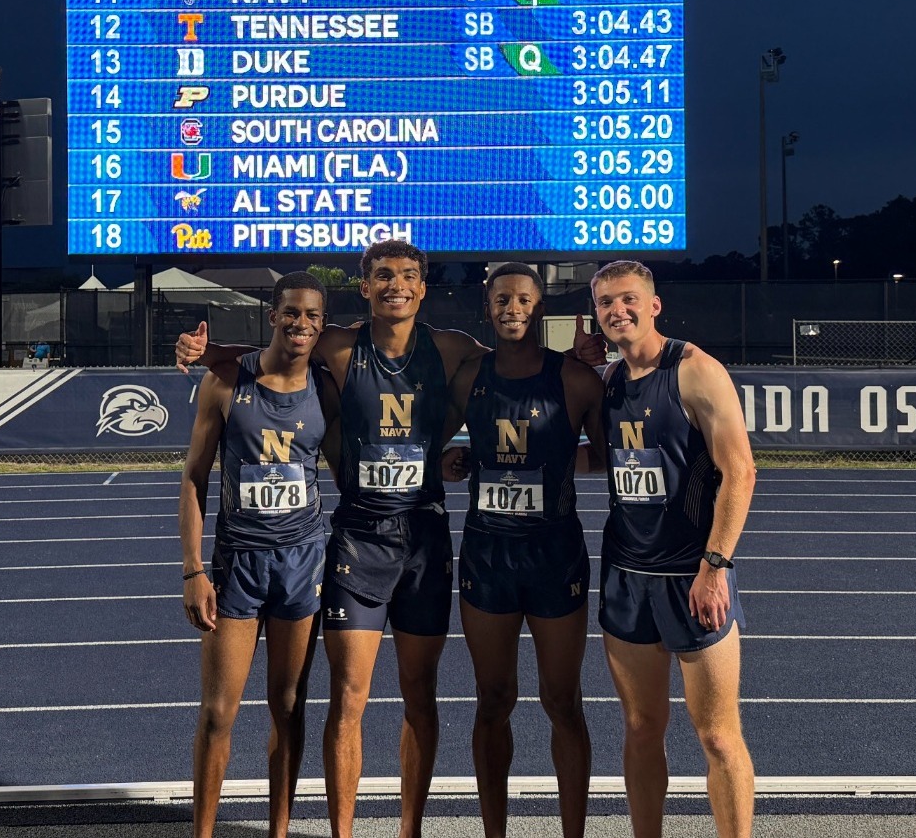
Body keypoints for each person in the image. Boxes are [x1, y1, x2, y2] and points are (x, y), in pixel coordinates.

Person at [177, 240, 488, 838]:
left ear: (423, 288)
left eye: (408, 276)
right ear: (365, 288)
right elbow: (267, 355)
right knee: (336, 698)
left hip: (413, 538)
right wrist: (206, 351)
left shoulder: (449, 350)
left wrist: (585, 360)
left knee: (407, 694)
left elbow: (512, 364)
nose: (396, 285)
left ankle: (403, 829)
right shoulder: (338, 349)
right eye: (382, 275)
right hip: (343, 543)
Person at [574, 259, 760, 838]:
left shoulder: (696, 371)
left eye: (628, 299)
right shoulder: (608, 381)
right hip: (628, 575)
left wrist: (715, 566)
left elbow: (741, 472)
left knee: (718, 735)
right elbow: (604, 459)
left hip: (692, 574)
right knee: (640, 728)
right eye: (606, 302)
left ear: (654, 305)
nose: (618, 310)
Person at [438, 262, 608, 838]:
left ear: (541, 308)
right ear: (487, 308)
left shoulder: (577, 380)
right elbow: (431, 442)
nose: (512, 308)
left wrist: (556, 461)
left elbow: (609, 456)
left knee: (562, 701)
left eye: (524, 300)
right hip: (488, 557)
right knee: (492, 700)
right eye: (502, 299)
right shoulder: (470, 377)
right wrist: (448, 460)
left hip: (555, 556)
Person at [178, 272, 336, 838]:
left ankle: (280, 831)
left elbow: (353, 467)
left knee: (288, 706)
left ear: (323, 324)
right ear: (273, 316)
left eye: (312, 315)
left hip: (301, 563)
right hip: (237, 565)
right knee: (219, 712)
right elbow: (194, 479)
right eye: (290, 312)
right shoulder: (225, 381)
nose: (300, 323)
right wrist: (193, 569)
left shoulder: (327, 386)